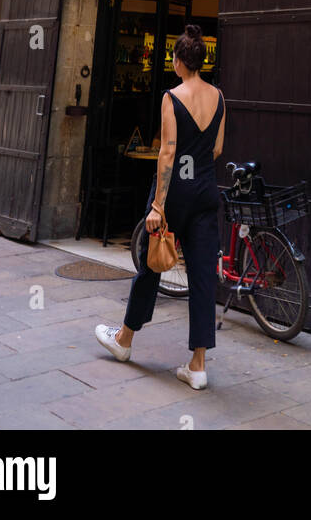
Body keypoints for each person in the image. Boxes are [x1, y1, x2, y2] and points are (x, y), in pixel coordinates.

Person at [95, 24, 225, 389]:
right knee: (202, 277)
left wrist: (157, 204)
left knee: (152, 262)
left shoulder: (172, 97)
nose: (172, 62)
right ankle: (197, 366)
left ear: (181, 61)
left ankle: (124, 340)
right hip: (205, 188)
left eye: (173, 57)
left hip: (176, 192)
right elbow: (216, 149)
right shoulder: (220, 97)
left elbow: (167, 151)